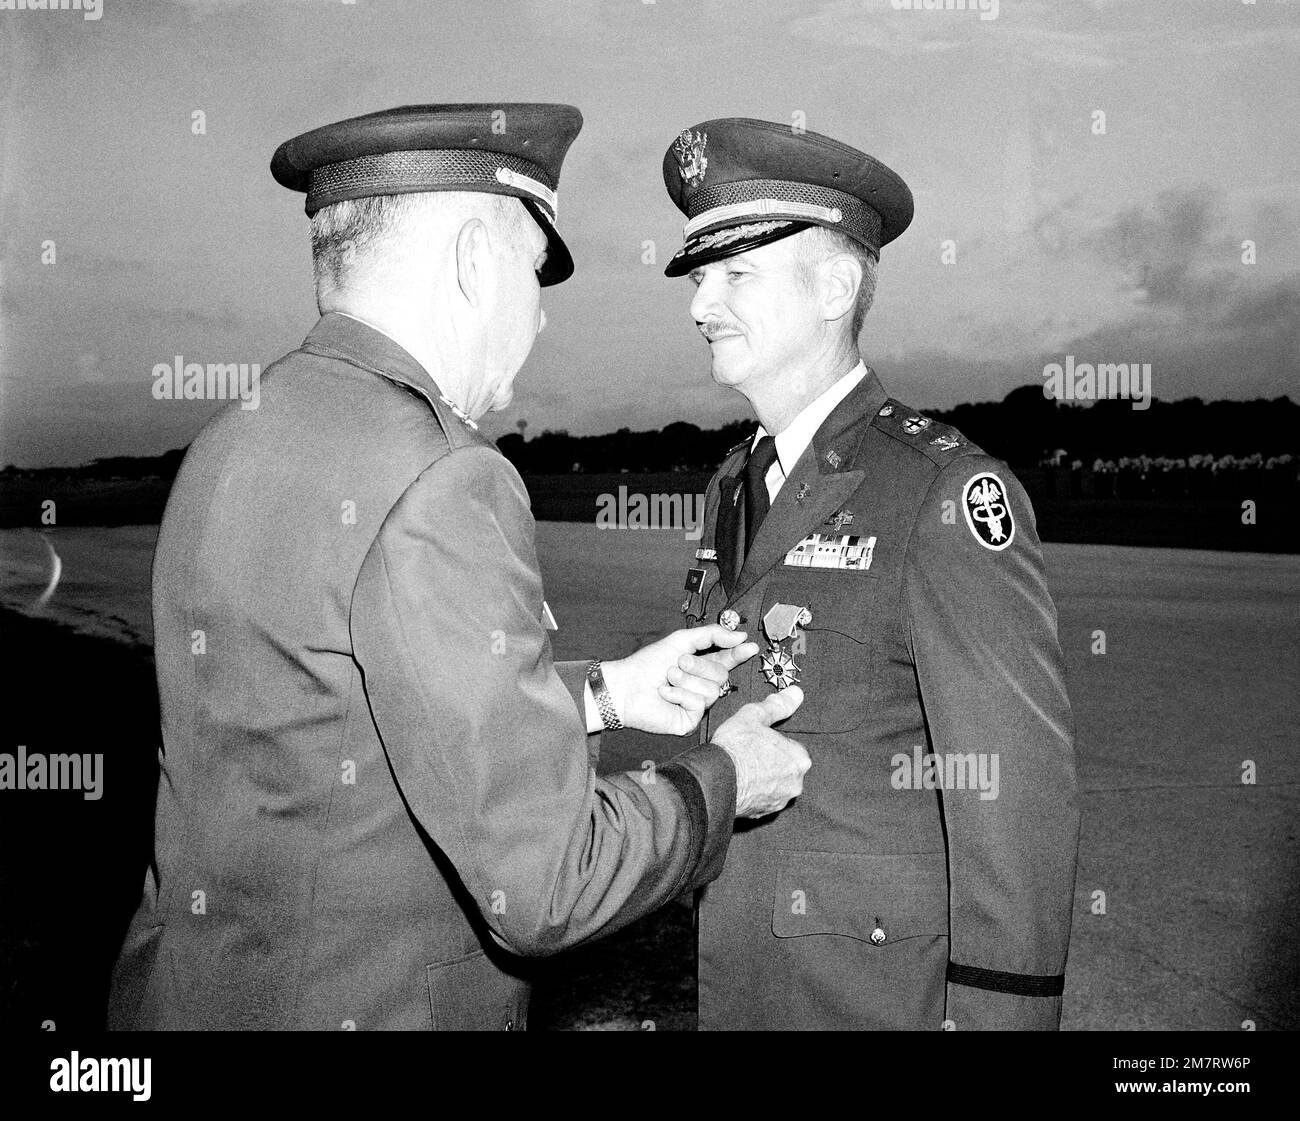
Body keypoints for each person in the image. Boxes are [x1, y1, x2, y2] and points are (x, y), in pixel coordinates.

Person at [107, 104, 809, 1031]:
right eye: (531, 270)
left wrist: (600, 695)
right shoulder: (444, 474)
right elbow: (549, 883)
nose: (542, 311)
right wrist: (724, 779)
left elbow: (345, 712)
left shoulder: (236, 435)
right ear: (476, 260)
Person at [663, 117, 1080, 1030]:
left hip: (874, 997)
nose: (702, 304)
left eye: (737, 273)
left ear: (836, 286)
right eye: (700, 277)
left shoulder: (940, 491)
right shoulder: (733, 485)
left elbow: (1010, 787)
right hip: (743, 981)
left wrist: (999, 1018)